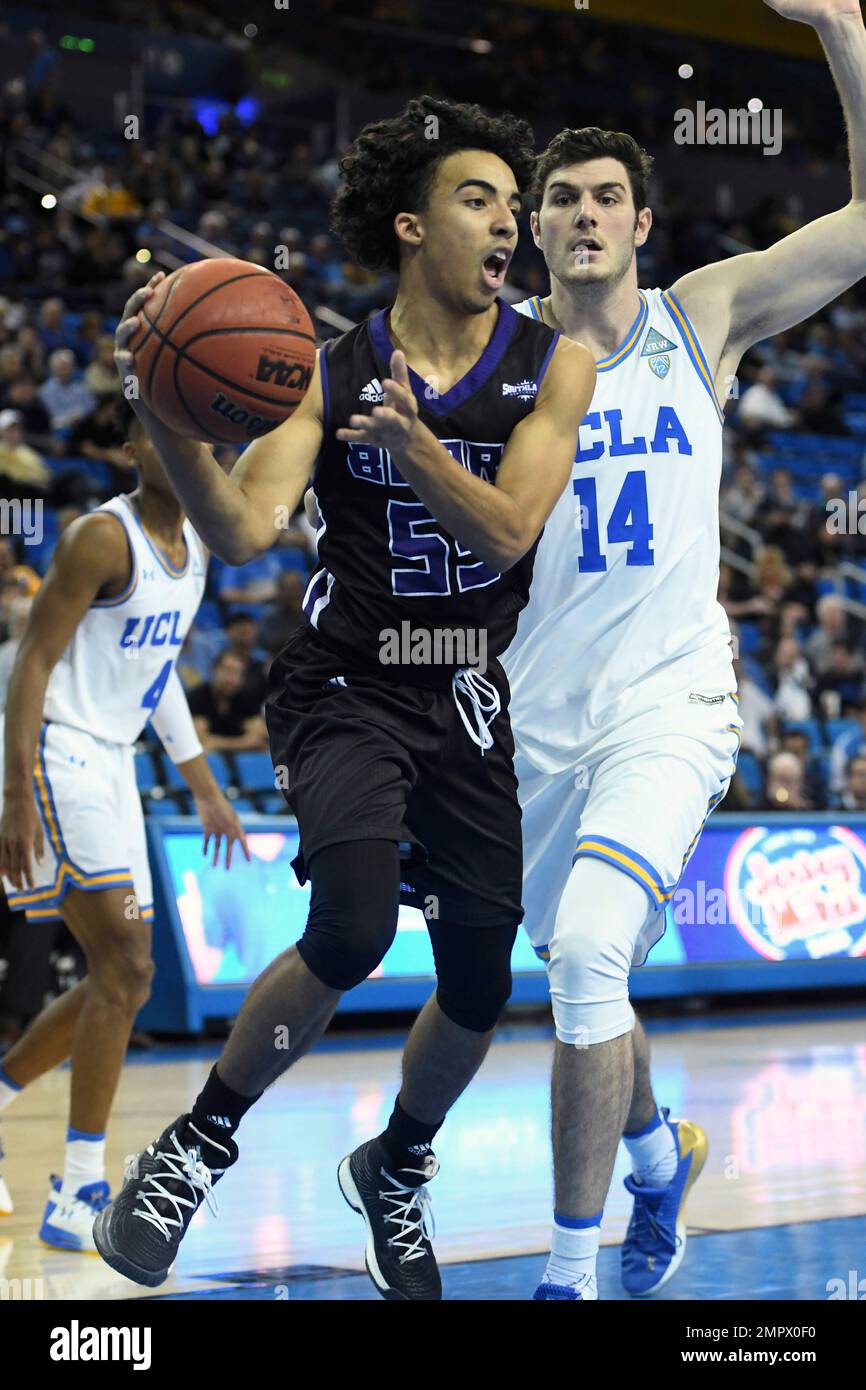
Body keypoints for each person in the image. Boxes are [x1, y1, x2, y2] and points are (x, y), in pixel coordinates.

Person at [92, 95, 594, 1298]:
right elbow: (243, 529)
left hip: (464, 693)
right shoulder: (326, 373)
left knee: (479, 983)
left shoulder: (554, 364)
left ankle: (395, 1163)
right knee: (353, 930)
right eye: (478, 198)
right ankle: (193, 1146)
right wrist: (163, 409)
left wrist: (416, 449)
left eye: (513, 206)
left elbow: (507, 532)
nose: (508, 224)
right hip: (347, 686)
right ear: (410, 225)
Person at [501, 0, 866, 1301]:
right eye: (562, 198)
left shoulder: (698, 315)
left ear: (641, 223)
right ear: (531, 225)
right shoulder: (494, 352)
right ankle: (659, 1156)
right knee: (582, 977)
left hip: (671, 709)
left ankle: (568, 1272)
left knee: (588, 957)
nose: (585, 213)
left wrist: (841, 31)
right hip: (532, 724)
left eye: (607, 196)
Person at [0, 406, 248, 1250]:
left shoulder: (201, 547)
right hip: (58, 750)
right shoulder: (99, 539)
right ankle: (78, 1187)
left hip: (114, 765)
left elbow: (159, 669)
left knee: (126, 979)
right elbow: (32, 662)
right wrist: (15, 791)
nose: (178, 450)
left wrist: (205, 786)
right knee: (127, 964)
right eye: (159, 434)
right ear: (131, 447)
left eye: (192, 438)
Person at [188, 649, 268, 752]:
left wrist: (216, 743)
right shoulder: (198, 696)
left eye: (237, 673)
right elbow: (199, 740)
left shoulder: (247, 699)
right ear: (214, 670)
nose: (230, 679)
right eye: (227, 670)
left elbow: (259, 738)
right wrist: (243, 743)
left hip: (242, 759)